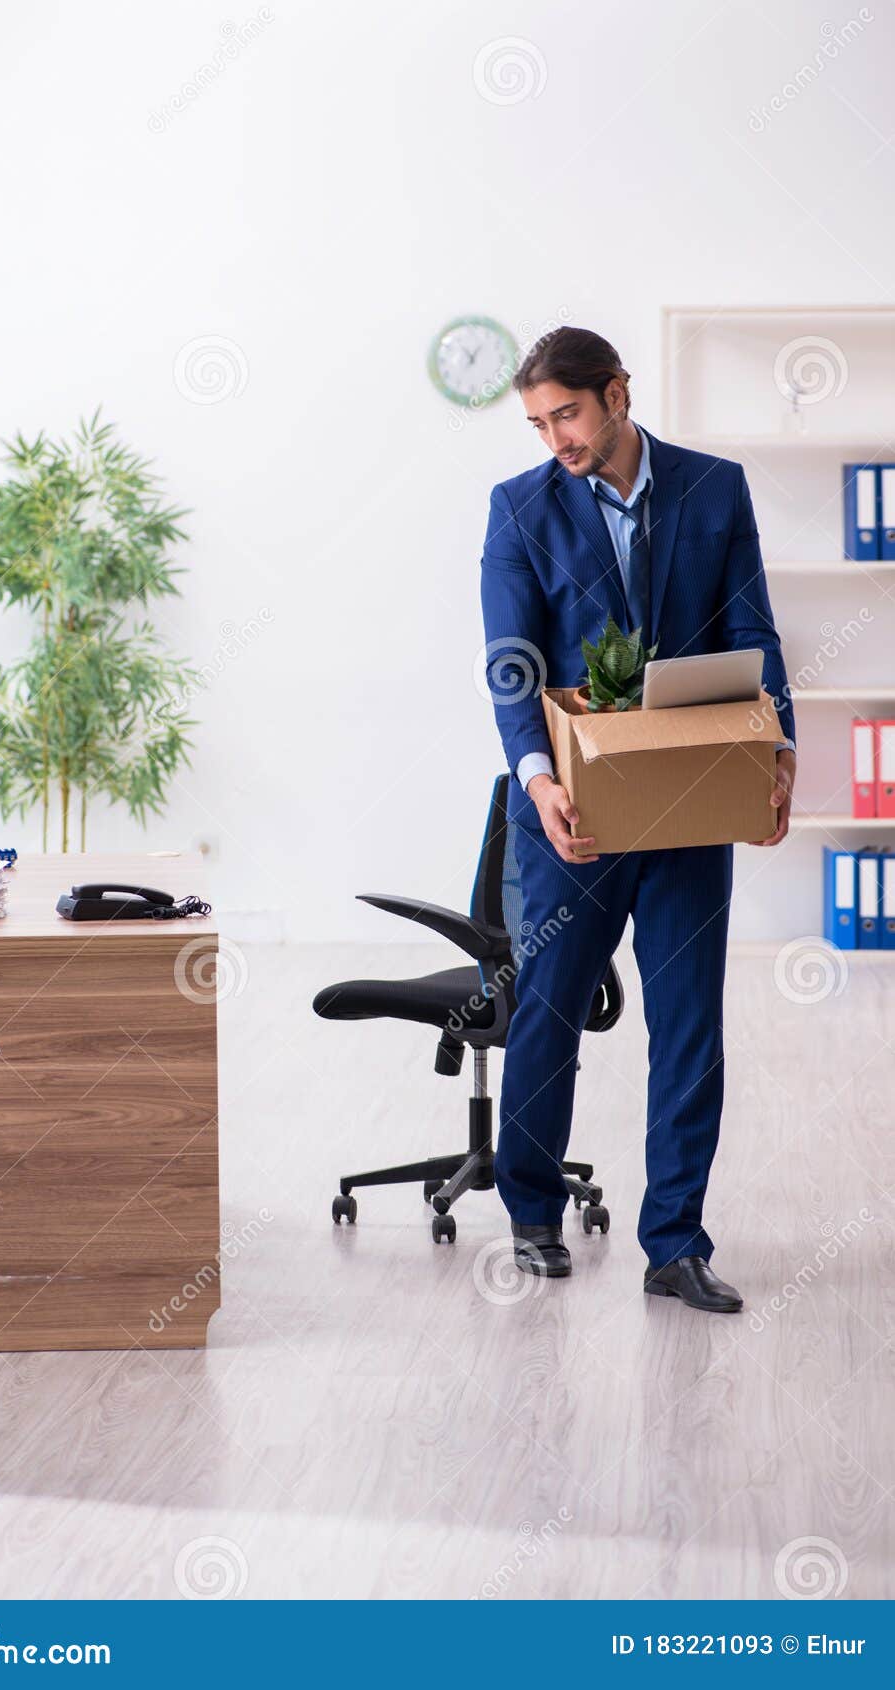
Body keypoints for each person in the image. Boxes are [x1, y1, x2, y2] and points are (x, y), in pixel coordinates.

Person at [479, 325, 795, 1313]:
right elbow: (512, 661)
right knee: (549, 1011)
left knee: (690, 1023)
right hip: (573, 812)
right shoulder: (520, 509)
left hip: (692, 801)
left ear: (617, 392)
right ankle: (531, 1211)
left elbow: (752, 628)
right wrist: (538, 781)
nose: (555, 438)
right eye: (538, 422)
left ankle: (676, 1245)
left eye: (566, 413)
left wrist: (778, 747)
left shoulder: (713, 488)